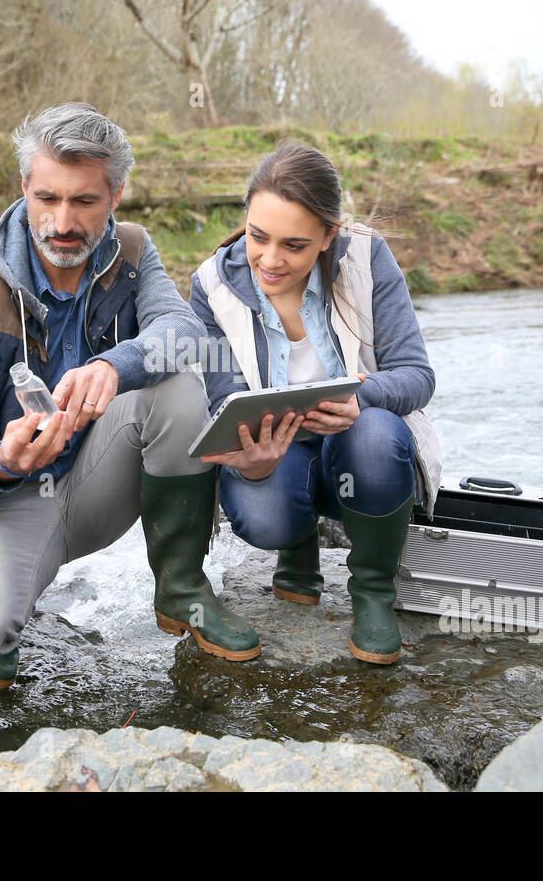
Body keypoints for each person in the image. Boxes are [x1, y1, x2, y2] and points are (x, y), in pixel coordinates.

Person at [0, 102, 260, 689]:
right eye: (47, 198)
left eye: (85, 201)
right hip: (0, 502)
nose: (63, 222)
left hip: (97, 484)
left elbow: (185, 332)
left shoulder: (131, 251)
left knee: (175, 381)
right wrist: (3, 459)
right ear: (24, 187)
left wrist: (115, 366)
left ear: (117, 195)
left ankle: (181, 590)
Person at [188, 140, 443, 664]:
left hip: (358, 449)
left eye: (295, 245)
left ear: (329, 235)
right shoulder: (211, 287)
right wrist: (250, 462)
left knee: (374, 433)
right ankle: (296, 548)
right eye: (258, 237)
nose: (271, 260)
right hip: (279, 453)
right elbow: (222, 398)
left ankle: (372, 592)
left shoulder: (367, 258)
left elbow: (417, 376)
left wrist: (363, 395)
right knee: (263, 514)